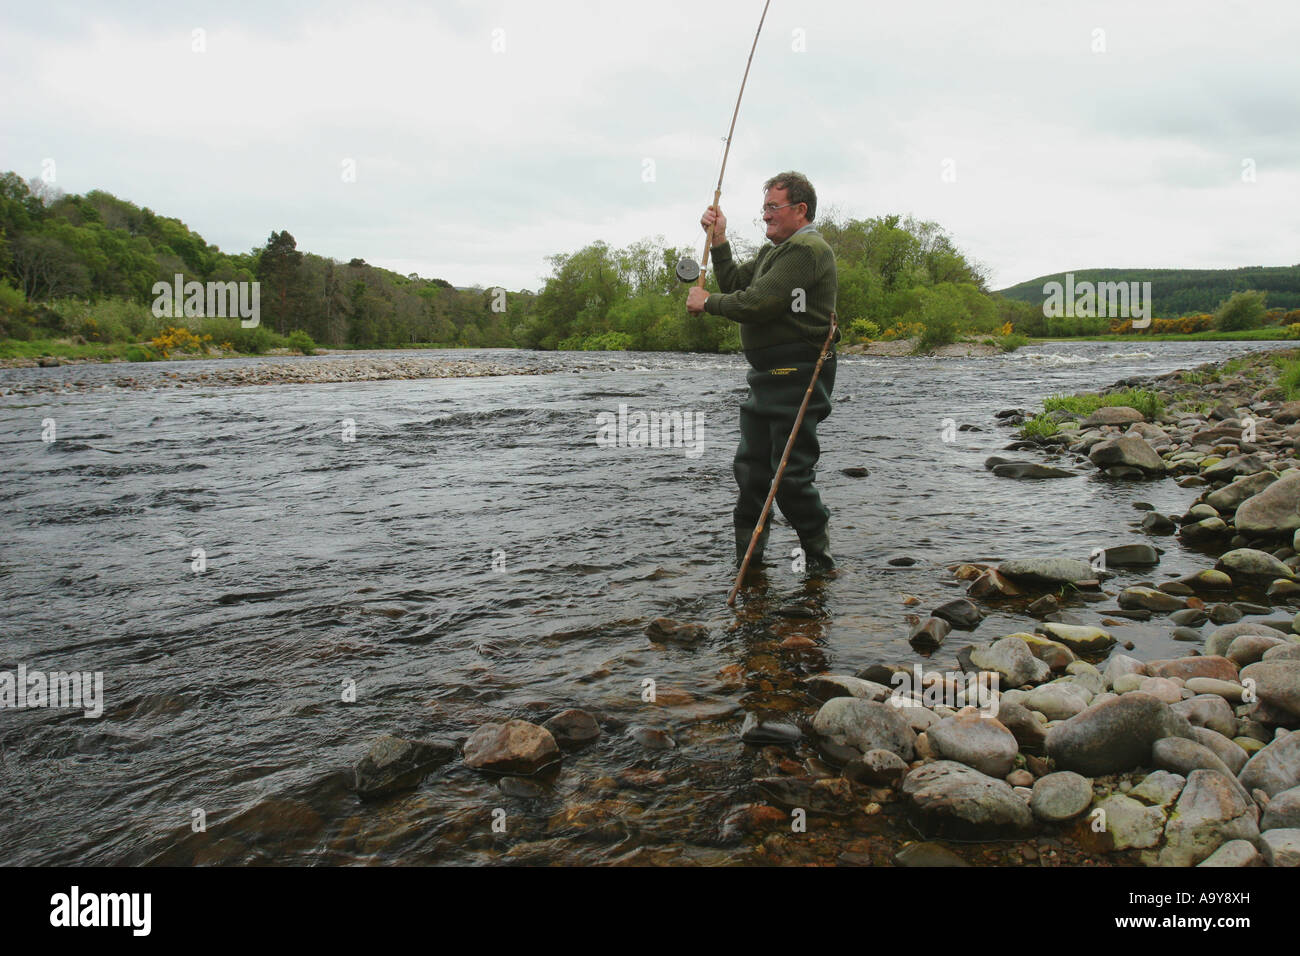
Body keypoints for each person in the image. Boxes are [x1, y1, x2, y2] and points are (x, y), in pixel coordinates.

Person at [686, 171, 840, 574]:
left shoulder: (807, 250)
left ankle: (820, 566)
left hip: (799, 375)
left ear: (800, 209)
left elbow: (759, 302)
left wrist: (708, 302)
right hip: (767, 378)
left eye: (773, 208)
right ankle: (749, 568)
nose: (766, 216)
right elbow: (737, 281)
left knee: (789, 477)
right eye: (764, 209)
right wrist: (719, 239)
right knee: (753, 474)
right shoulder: (779, 251)